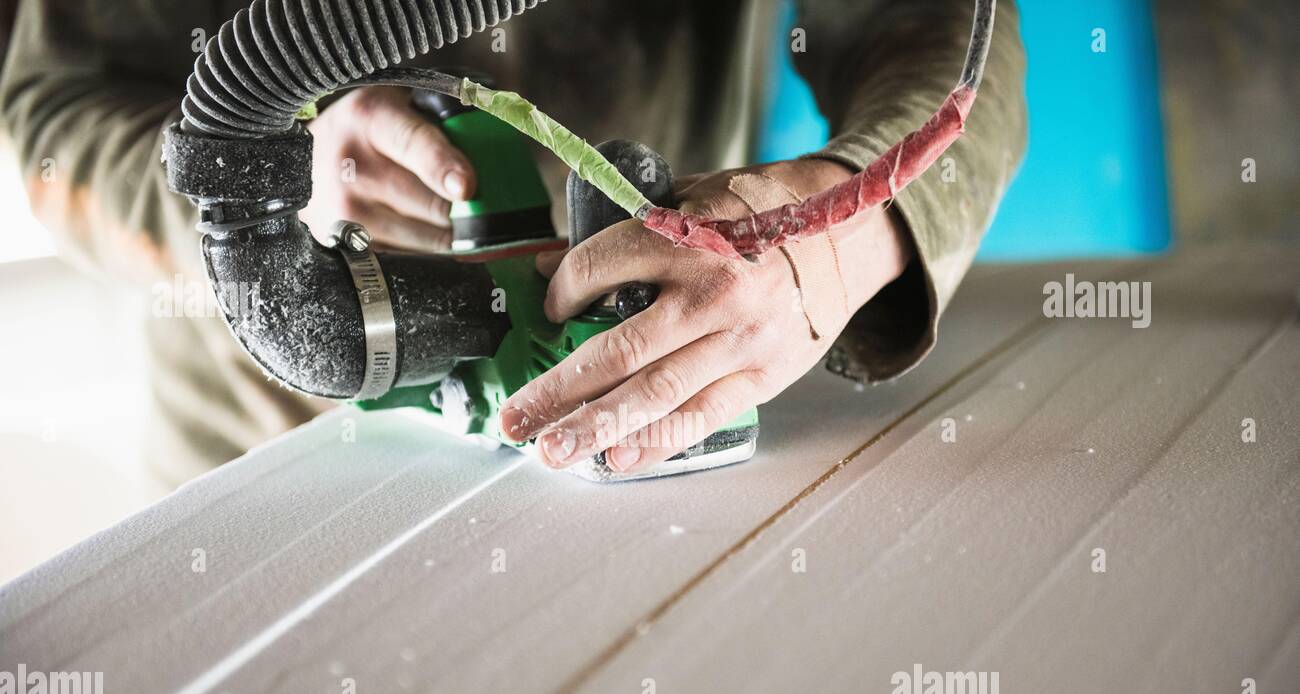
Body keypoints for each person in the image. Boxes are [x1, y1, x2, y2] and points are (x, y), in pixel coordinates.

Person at [0, 0, 1026, 485]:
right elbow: (55, 116)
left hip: (655, 393)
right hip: (263, 451)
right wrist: (275, 180)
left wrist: (829, 236)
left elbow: (941, 35)